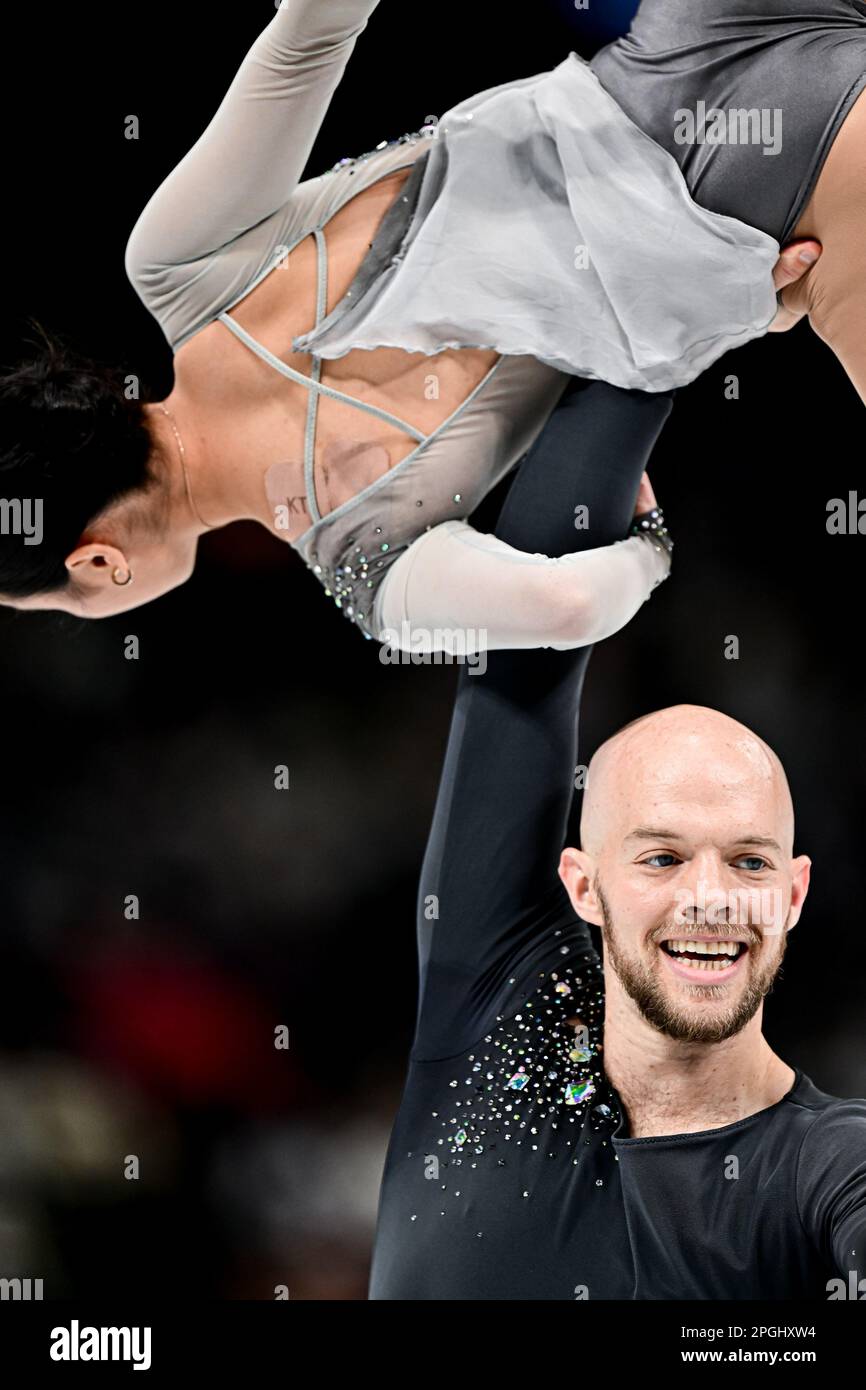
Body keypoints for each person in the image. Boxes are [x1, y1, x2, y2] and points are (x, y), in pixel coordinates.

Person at [0, 0, 815, 650]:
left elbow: (569, 607)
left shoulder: (369, 570)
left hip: (747, 227)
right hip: (675, 53)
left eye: (65, 609)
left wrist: (648, 545)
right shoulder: (174, 265)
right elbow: (319, 21)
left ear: (97, 561)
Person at [367, 373, 866, 1302]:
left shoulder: (828, 1169)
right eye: (663, 858)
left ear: (793, 894)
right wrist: (641, 349)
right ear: (583, 884)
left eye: (749, 861)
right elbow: (520, 668)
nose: (711, 897)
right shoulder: (500, 1014)